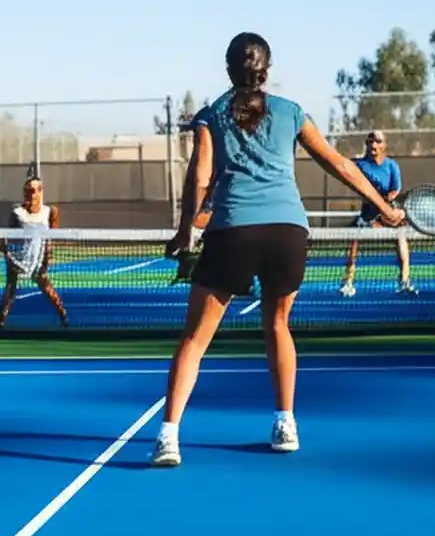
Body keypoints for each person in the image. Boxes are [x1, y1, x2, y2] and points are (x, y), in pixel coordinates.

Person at [152, 32, 403, 466]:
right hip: (288, 234)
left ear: (228, 69)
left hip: (232, 233)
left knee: (194, 338)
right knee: (278, 326)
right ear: (266, 71)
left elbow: (200, 177)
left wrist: (184, 231)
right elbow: (340, 165)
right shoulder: (291, 112)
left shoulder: (210, 117)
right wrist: (385, 208)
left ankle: (168, 437)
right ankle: (286, 424)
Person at [338, 130, 418, 297]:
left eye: (378, 142)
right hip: (367, 214)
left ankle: (404, 281)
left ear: (384, 145)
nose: (373, 145)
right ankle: (348, 282)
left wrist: (386, 203)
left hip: (387, 213)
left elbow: (395, 190)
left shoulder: (392, 166)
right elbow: (351, 179)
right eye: (370, 142)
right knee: (353, 243)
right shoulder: (359, 165)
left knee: (401, 238)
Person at [0, 176, 69, 329]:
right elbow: (8, 234)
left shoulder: (50, 212)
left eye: (33, 191)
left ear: (40, 192)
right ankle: (1, 322)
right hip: (18, 258)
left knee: (47, 288)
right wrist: (5, 249)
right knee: (10, 291)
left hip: (38, 258)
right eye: (26, 191)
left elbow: (51, 235)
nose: (29, 194)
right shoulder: (17, 212)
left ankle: (63, 316)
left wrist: (48, 255)